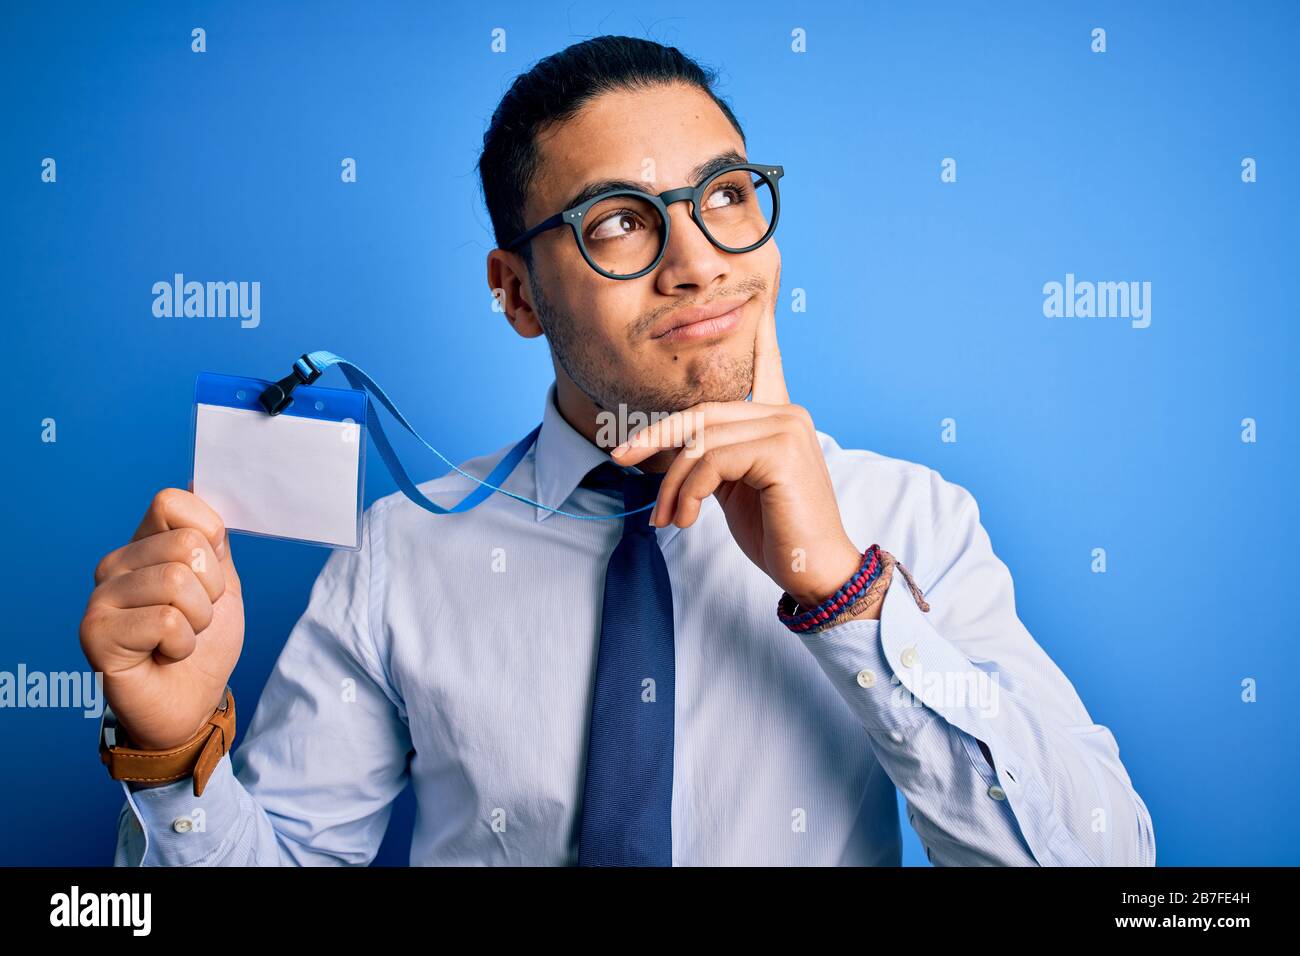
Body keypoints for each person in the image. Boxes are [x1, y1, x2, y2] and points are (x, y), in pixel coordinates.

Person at [80, 35, 1155, 866]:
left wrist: (845, 592)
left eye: (726, 195)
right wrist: (176, 761)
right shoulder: (398, 556)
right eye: (620, 221)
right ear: (515, 295)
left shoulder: (912, 519)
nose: (698, 260)